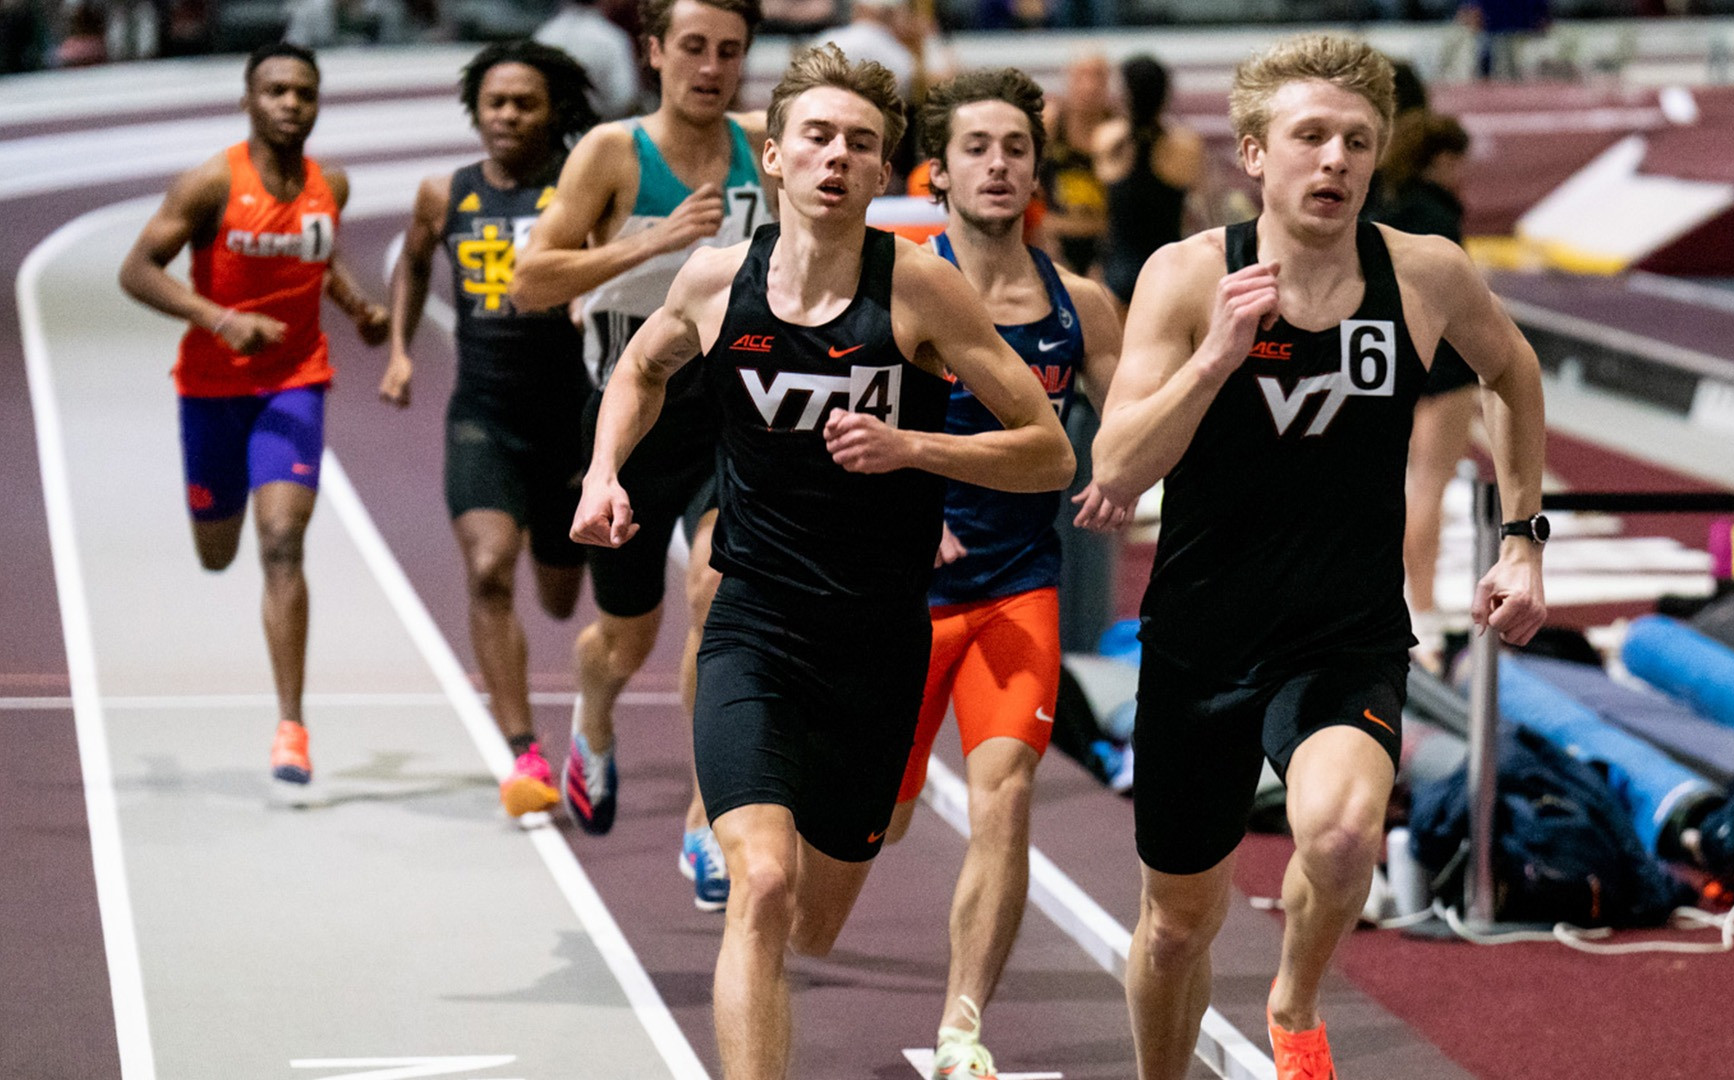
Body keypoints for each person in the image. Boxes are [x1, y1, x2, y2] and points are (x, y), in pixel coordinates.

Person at [571, 44, 1074, 1080]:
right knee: (756, 883)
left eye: (861, 143)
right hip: (756, 623)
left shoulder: (922, 292)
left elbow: (1049, 451)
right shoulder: (718, 284)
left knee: (815, 912)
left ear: (884, 172)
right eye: (818, 136)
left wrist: (916, 447)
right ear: (774, 158)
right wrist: (601, 471)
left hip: (879, 634)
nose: (838, 157)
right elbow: (638, 366)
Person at [1089, 33, 1548, 1080]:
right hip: (1202, 639)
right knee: (1174, 926)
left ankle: (1294, 999)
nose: (1335, 160)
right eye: (1311, 138)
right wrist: (1214, 358)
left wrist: (1522, 540)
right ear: (1255, 154)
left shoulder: (1423, 274)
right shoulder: (1186, 276)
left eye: (1357, 141)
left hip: (1342, 634)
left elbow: (1514, 376)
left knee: (1342, 838)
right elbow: (1117, 464)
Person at [880, 68, 1128, 1080]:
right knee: (869, 836)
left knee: (1007, 797)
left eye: (1016, 148)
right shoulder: (890, 278)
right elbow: (815, 429)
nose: (998, 164)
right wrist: (903, 508)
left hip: (1017, 585)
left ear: (1036, 166)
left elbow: (1138, 429)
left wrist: (1126, 466)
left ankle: (961, 1024)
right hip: (893, 596)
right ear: (939, 172)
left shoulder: (1083, 306)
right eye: (977, 147)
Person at [512, 0, 764, 910]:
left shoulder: (765, 140)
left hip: (736, 402)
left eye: (730, 51)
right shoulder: (614, 154)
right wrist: (654, 241)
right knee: (626, 638)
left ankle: (707, 818)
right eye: (693, 47)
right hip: (629, 400)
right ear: (654, 51)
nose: (711, 66)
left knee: (719, 592)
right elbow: (529, 277)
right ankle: (594, 714)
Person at [118, 42, 391, 789]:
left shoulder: (329, 183)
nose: (290, 103)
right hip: (211, 389)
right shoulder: (211, 183)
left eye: (303, 91)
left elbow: (316, 252)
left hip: (295, 382)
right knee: (218, 551)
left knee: (282, 542)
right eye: (274, 90)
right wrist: (217, 319)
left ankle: (291, 728)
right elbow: (135, 270)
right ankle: (217, 515)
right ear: (248, 99)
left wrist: (358, 307)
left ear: (316, 101)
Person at [382, 40, 600, 816]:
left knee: (559, 590)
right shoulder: (445, 195)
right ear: (475, 110)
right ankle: (523, 753)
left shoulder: (582, 191)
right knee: (486, 567)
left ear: (553, 112)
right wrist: (403, 351)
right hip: (484, 412)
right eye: (495, 102)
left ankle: (558, 548)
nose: (507, 116)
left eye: (525, 103)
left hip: (571, 421)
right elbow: (411, 264)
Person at [1367, 109, 1476, 667]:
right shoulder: (1436, 214)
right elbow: (1454, 294)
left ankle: (1396, 601)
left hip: (1393, 356)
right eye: (1459, 164)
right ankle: (1424, 609)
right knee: (1428, 487)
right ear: (1441, 160)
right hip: (1443, 361)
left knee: (1399, 485)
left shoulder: (1381, 205)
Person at [1093, 54, 1204, 310]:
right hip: (1169, 269)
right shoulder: (1187, 144)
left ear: (1125, 94)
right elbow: (1198, 199)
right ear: (1165, 95)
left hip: (1117, 270)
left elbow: (1101, 208)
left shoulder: (1106, 138)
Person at [1040, 50, 1113, 279]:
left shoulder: (1117, 129)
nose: (1089, 86)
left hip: (1104, 241)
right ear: (1068, 79)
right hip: (1055, 236)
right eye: (1081, 76)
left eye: (1097, 77)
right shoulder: (1050, 123)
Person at [534, 0, 643, 119]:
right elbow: (624, 98)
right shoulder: (612, 38)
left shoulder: (545, 36)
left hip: (556, 126)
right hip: (601, 126)